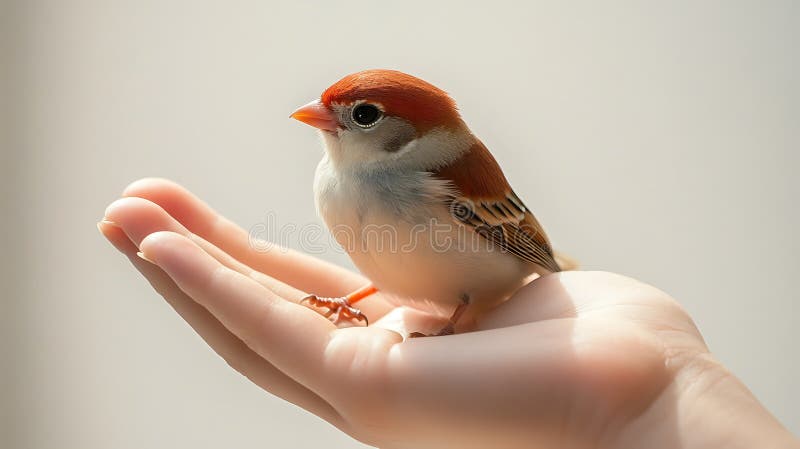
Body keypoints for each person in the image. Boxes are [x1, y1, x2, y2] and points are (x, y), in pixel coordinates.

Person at [98, 178, 798, 449]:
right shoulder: (334, 183)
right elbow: (390, 269)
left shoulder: (441, 175)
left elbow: (508, 242)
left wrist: (657, 391)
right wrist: (356, 299)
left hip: (490, 281)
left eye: (360, 114)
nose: (322, 119)